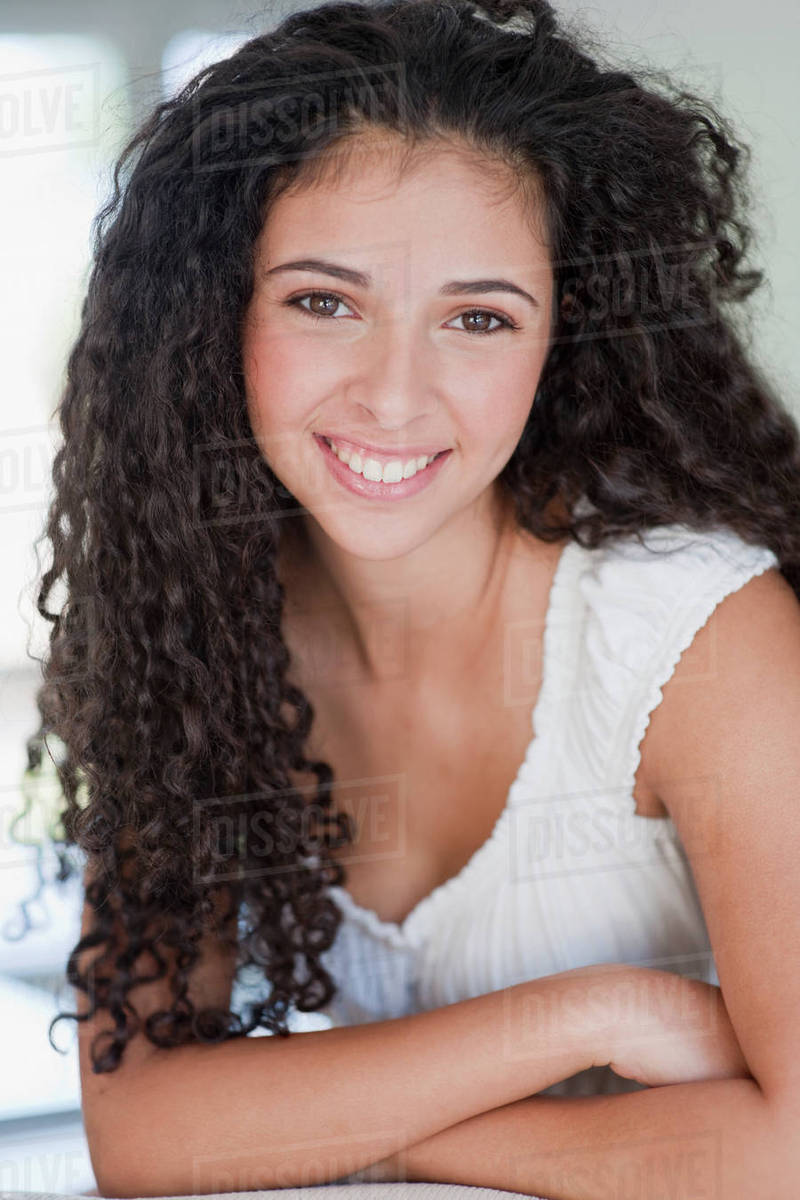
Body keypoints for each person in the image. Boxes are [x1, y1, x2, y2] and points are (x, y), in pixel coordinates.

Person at [13, 0, 800, 1193]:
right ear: (215, 312)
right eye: (323, 301)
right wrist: (584, 1015)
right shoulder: (197, 621)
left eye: (477, 319)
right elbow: (139, 1132)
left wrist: (318, 1120)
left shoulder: (703, 636)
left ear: (561, 340)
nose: (393, 396)